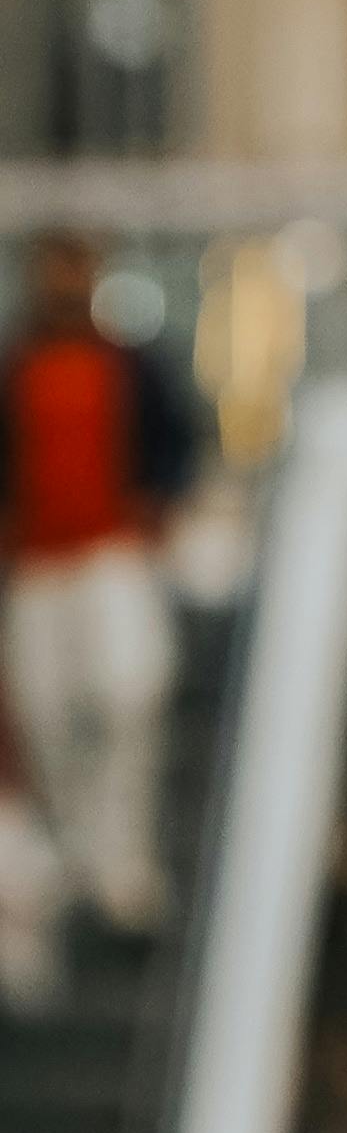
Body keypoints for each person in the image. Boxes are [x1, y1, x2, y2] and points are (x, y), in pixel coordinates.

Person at [0, 234, 192, 935]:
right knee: (44, 711)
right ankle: (76, 853)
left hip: (111, 553)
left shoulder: (129, 366)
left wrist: (159, 507)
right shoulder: (18, 367)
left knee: (129, 690)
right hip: (38, 565)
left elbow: (175, 442)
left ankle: (123, 859)